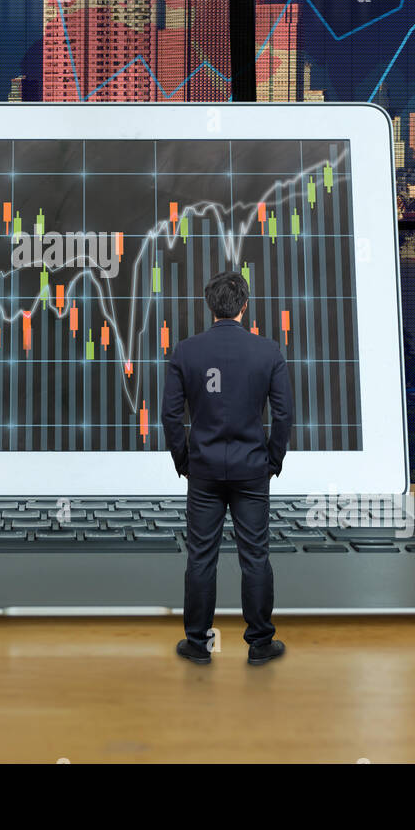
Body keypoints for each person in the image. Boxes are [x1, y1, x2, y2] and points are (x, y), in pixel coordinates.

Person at [160, 270, 294, 665]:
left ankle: (198, 644)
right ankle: (260, 644)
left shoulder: (186, 351)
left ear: (210, 305)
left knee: (201, 557)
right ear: (244, 305)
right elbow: (283, 416)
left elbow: (170, 416)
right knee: (255, 556)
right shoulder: (268, 352)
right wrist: (272, 459)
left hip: (203, 471)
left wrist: (184, 460)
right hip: (252, 470)